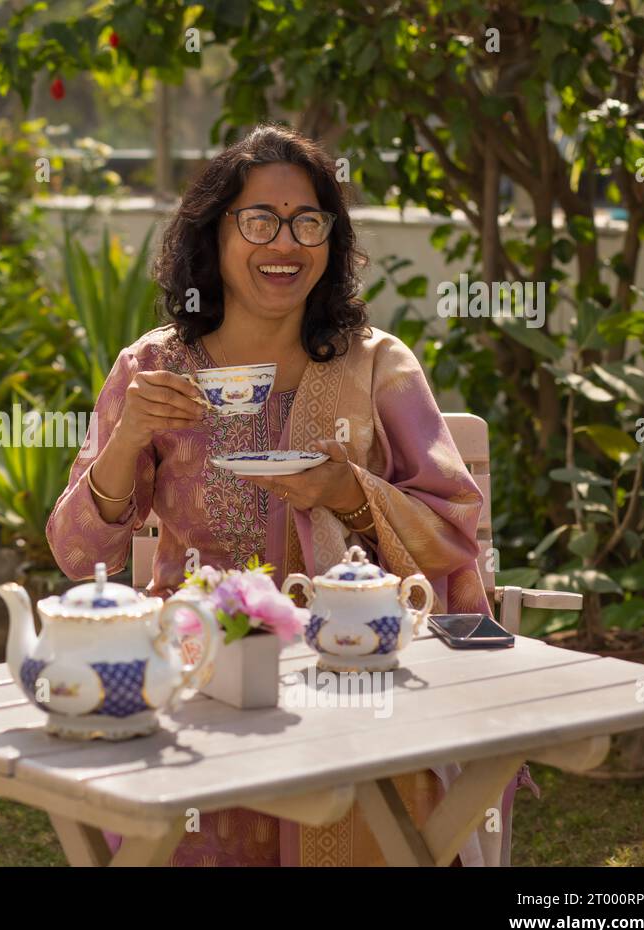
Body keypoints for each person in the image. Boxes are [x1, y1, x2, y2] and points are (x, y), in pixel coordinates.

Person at [46, 124, 534, 866]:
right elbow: (79, 553)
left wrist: (351, 492)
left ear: (331, 241)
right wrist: (125, 436)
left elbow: (455, 527)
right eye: (261, 220)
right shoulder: (155, 367)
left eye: (309, 221)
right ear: (215, 233)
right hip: (198, 681)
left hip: (356, 681)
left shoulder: (375, 366)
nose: (288, 242)